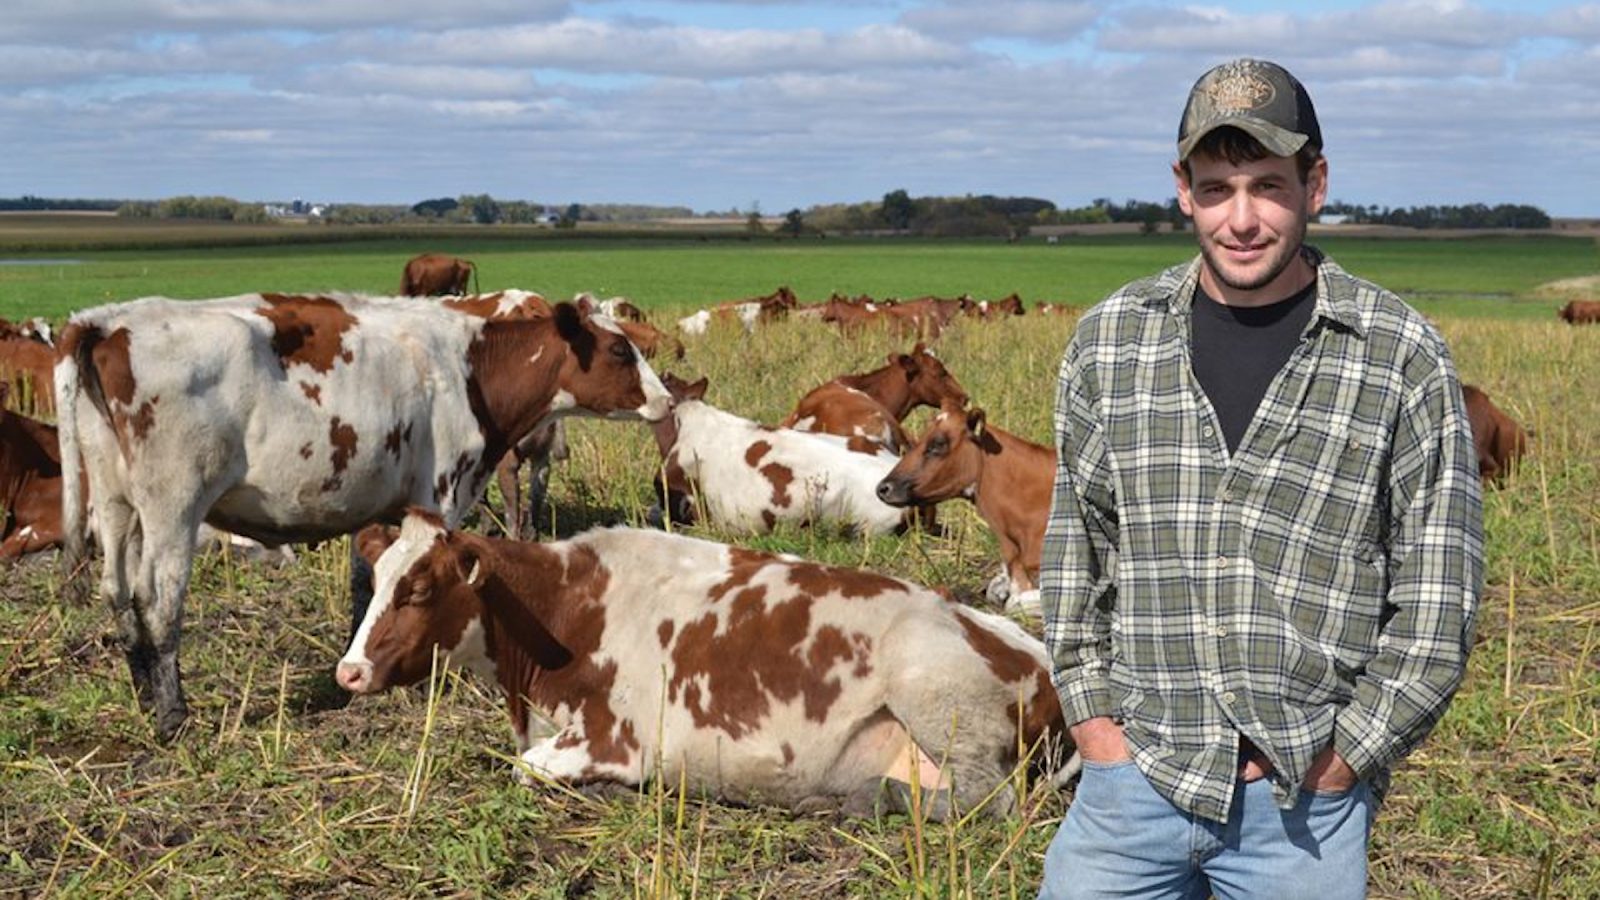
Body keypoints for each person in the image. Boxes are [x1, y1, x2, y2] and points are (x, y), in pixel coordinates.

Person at [1037, 58, 1483, 899]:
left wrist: (1348, 757)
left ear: (1316, 184)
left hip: (1301, 810)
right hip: (1133, 789)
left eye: (1268, 186)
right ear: (1183, 190)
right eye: (1217, 188)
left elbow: (1439, 601)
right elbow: (1075, 556)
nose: (1241, 219)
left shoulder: (1399, 357)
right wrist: (1097, 729)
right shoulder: (1109, 345)